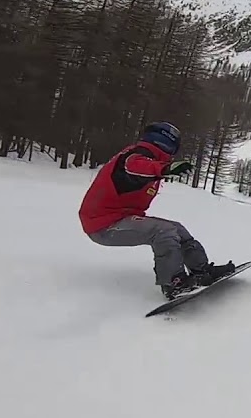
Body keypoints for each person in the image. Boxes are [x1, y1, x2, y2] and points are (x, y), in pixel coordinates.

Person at [79, 121, 234, 299]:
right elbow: (134, 166)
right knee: (163, 231)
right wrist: (164, 169)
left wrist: (163, 168)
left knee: (177, 228)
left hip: (121, 218)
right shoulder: (137, 155)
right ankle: (173, 283)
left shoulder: (151, 160)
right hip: (103, 224)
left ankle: (201, 271)